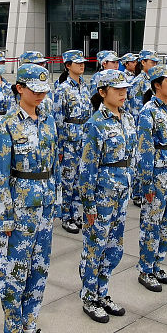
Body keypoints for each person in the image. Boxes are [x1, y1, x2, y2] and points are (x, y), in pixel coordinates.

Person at [0, 62, 60, 333]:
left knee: (39, 269)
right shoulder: (6, 124)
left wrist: (55, 198)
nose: (41, 95)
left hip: (44, 205)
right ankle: (15, 331)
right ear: (20, 88)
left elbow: (54, 165)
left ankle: (31, 325)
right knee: (15, 270)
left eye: (44, 90)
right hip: (20, 207)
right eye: (35, 90)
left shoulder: (48, 121)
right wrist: (5, 215)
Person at [77, 69, 137, 322]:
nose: (123, 93)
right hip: (102, 193)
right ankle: (89, 296)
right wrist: (88, 204)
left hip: (122, 190)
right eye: (117, 89)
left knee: (114, 246)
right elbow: (87, 168)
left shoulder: (128, 119)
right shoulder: (95, 124)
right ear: (102, 93)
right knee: (95, 245)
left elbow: (131, 156)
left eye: (125, 88)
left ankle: (103, 291)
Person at [134, 64, 167, 291]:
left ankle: (158, 263)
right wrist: (146, 182)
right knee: (152, 223)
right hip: (157, 177)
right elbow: (145, 150)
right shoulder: (148, 111)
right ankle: (145, 268)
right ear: (156, 85)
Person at [53, 50, 91, 235]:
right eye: (77, 63)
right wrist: (59, 147)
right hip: (69, 141)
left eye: (83, 62)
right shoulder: (62, 89)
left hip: (83, 138)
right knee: (67, 180)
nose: (82, 65)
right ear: (68, 66)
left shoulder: (85, 86)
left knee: (79, 179)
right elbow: (58, 119)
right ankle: (66, 215)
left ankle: (76, 214)